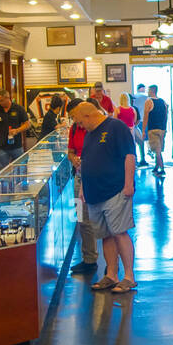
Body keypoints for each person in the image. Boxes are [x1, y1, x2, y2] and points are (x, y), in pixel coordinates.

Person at [73, 102, 138, 294]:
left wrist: (128, 184)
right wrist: (83, 188)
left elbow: (129, 156)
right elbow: (85, 162)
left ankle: (128, 276)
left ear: (87, 116)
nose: (79, 126)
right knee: (105, 235)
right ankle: (111, 274)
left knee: (120, 232)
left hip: (115, 190)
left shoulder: (116, 127)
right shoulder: (90, 134)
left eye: (79, 122)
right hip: (94, 194)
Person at [66, 98, 99, 275]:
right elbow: (70, 152)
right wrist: (74, 160)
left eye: (75, 116)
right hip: (79, 177)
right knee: (81, 218)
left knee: (100, 218)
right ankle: (89, 258)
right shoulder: (74, 129)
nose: (75, 120)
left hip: (95, 177)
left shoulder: (95, 127)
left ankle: (111, 263)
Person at [0, 89, 31, 168]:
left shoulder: (19, 109)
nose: (0, 103)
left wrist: (17, 130)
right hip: (2, 147)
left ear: (8, 98)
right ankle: (6, 181)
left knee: (21, 168)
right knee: (4, 171)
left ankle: (20, 181)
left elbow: (27, 124)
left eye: (1, 100)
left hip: (17, 146)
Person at [142, 84, 169, 176]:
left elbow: (145, 117)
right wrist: (165, 128)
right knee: (159, 149)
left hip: (153, 129)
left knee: (157, 151)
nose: (147, 92)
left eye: (148, 90)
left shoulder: (148, 101)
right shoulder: (163, 101)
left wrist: (143, 130)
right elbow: (166, 115)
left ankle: (162, 168)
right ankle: (156, 167)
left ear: (152, 90)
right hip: (162, 129)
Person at [134, 84, 147, 165]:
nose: (144, 90)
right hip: (143, 120)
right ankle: (143, 158)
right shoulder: (146, 96)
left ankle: (136, 159)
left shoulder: (134, 97)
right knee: (142, 141)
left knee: (135, 141)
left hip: (137, 120)